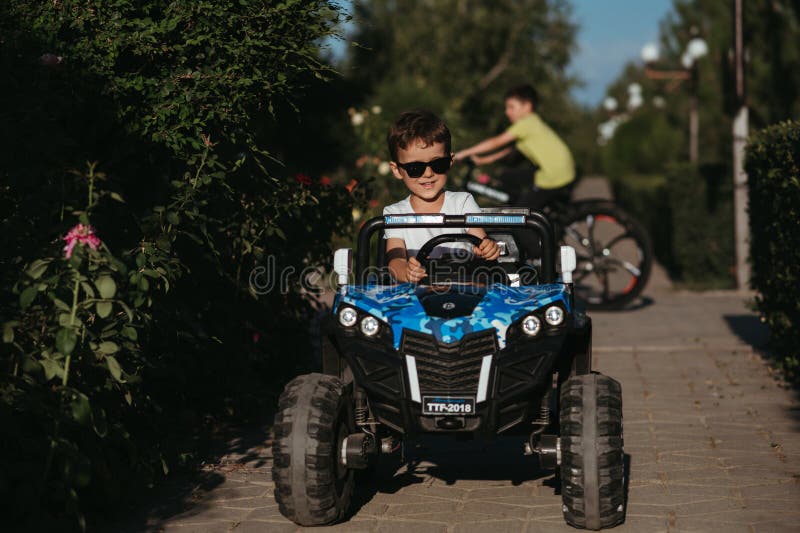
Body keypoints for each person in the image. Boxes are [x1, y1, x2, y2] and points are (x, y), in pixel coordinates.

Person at [384, 109, 500, 283]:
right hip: (417, 294)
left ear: (450, 162)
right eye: (415, 168)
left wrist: (488, 247)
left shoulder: (462, 202)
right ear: (396, 170)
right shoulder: (395, 214)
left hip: (466, 287)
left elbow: (480, 240)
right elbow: (396, 260)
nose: (428, 173)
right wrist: (406, 272)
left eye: (438, 164)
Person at [453, 84, 575, 212]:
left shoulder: (526, 124)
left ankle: (523, 219)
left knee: (518, 216)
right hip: (559, 170)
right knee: (507, 177)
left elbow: (496, 142)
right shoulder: (532, 123)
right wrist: (483, 161)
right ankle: (519, 203)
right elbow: (509, 151)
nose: (507, 112)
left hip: (554, 175)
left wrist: (463, 153)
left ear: (527, 106)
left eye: (511, 107)